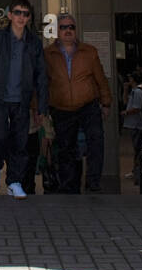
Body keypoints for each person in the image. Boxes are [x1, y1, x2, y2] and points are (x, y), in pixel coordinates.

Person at [0, 0, 48, 200]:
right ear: (10, 15)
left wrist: (42, 106)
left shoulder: (34, 43)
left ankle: (14, 181)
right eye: (17, 12)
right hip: (0, 98)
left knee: (20, 142)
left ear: (28, 18)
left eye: (25, 14)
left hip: (22, 100)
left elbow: (41, 75)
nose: (21, 17)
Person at [44, 13, 113, 193]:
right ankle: (70, 186)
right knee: (66, 147)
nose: (68, 31)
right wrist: (39, 108)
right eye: (64, 27)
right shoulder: (48, 55)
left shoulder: (89, 52)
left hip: (88, 105)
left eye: (71, 27)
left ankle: (93, 181)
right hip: (61, 108)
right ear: (57, 31)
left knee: (95, 139)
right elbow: (42, 83)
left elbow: (101, 79)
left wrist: (106, 103)